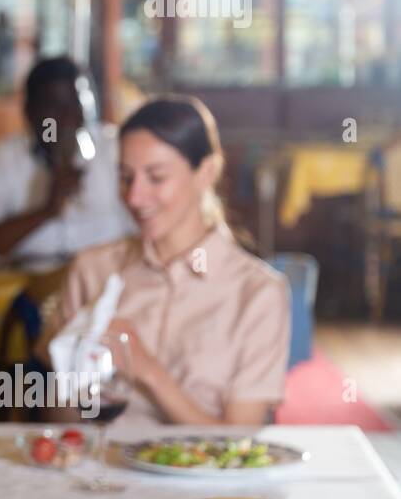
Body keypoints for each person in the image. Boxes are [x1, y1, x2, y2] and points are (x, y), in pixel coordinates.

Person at [40, 96, 291, 425]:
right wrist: (67, 367)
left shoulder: (257, 293)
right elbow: (59, 419)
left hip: (205, 473)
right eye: (126, 177)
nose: (134, 197)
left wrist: (147, 371)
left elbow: (237, 446)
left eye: (156, 178)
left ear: (207, 172)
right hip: (100, 471)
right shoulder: (92, 269)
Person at [0, 57, 135, 270]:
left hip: (105, 283)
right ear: (30, 113)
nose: (68, 117)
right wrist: (48, 209)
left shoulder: (115, 151)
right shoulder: (2, 160)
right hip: (27, 289)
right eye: (55, 107)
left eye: (76, 104)